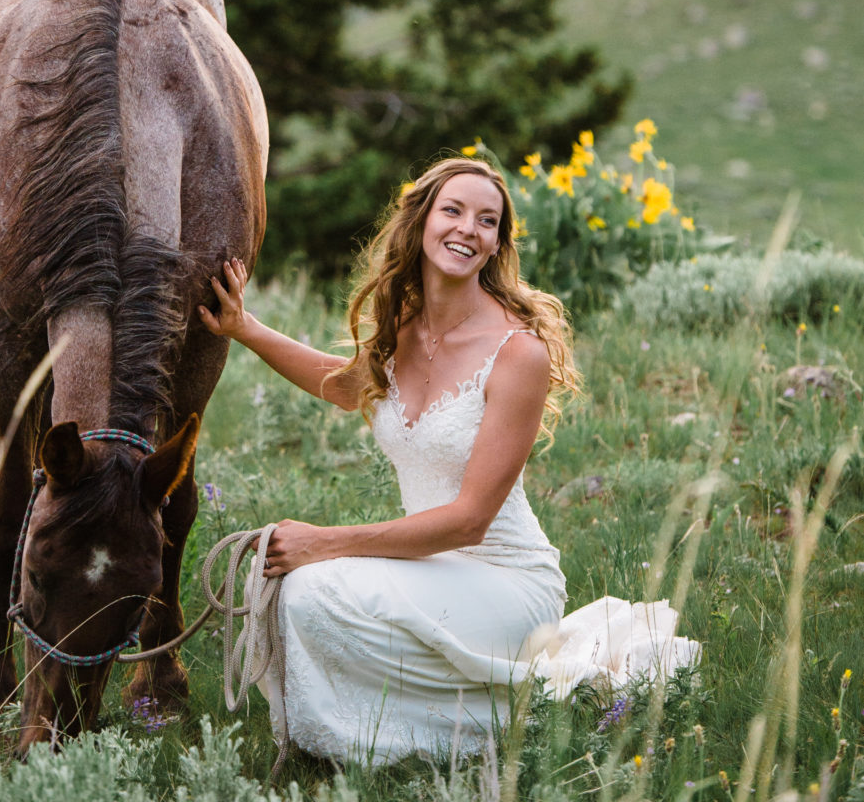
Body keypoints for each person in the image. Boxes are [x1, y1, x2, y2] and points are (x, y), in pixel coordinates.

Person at [198, 155, 698, 765]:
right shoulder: (404, 324)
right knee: (305, 590)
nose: (469, 228)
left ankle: (488, 722)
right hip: (427, 568)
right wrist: (244, 327)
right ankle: (359, 738)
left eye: (487, 221)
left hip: (505, 580)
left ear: (496, 246)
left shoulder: (518, 354)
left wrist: (325, 541)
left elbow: (468, 523)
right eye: (454, 210)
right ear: (422, 222)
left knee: (313, 587)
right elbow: (347, 385)